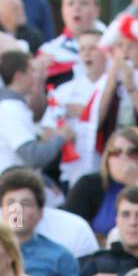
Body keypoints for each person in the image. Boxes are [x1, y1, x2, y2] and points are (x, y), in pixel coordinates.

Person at [0, 49, 74, 216]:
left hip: (14, 202)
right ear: (18, 76)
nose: (35, 76)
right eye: (32, 71)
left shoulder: (15, 107)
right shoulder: (9, 110)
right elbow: (33, 157)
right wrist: (61, 137)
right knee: (16, 240)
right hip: (11, 208)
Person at [0, 167, 79, 276]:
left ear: (40, 212)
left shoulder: (60, 257)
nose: (17, 209)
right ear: (1, 210)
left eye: (26, 203)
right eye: (10, 203)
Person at [41, 26, 108, 190]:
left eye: (93, 48)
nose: (87, 53)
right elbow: (46, 133)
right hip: (72, 174)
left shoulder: (114, 86)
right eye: (82, 49)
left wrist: (86, 112)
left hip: (105, 170)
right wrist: (61, 134)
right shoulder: (64, 91)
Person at [66, 126, 138, 241]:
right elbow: (72, 229)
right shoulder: (88, 184)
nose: (124, 158)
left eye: (133, 153)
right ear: (107, 158)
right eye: (116, 152)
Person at [95, 13, 138, 131]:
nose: (125, 51)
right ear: (112, 52)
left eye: (131, 46)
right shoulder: (103, 81)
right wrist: (110, 84)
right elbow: (94, 123)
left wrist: (131, 87)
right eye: (120, 46)